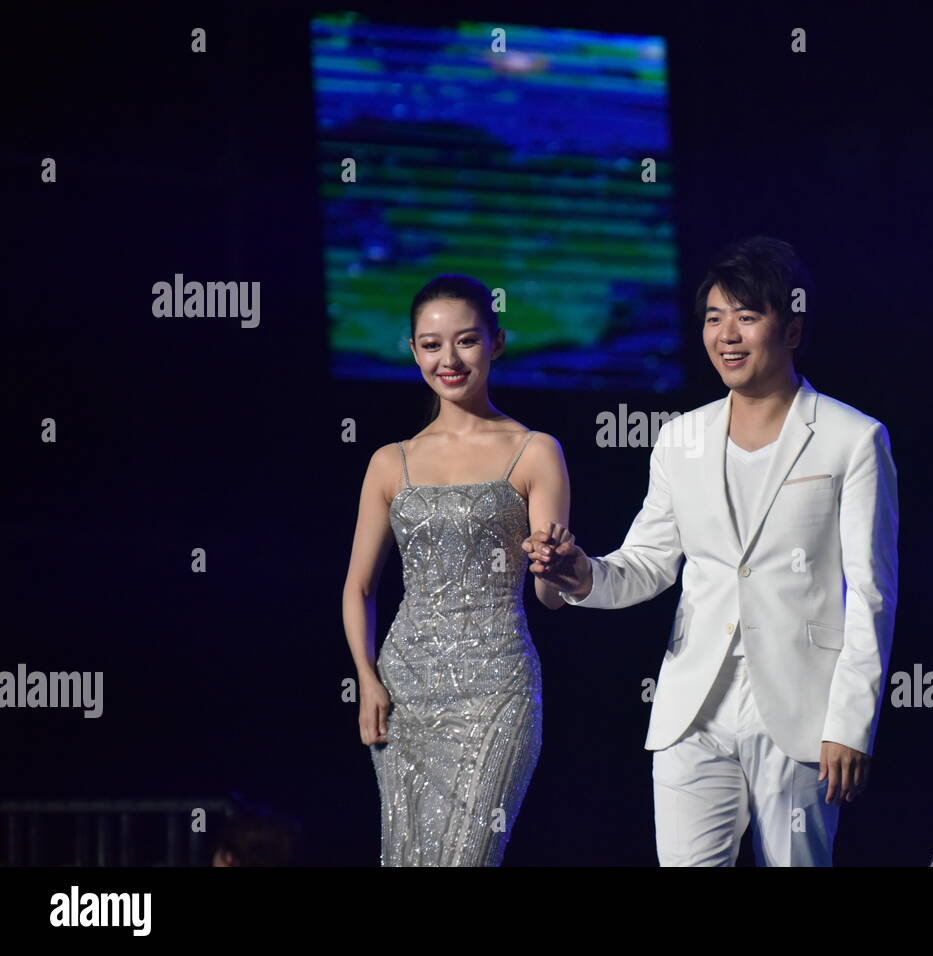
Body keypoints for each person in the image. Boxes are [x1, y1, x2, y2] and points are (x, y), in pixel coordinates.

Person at [524, 237, 899, 866]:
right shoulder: (680, 438)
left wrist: (850, 722)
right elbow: (646, 563)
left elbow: (870, 593)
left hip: (801, 713)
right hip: (691, 711)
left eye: (748, 317)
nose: (727, 335)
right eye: (714, 318)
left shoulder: (852, 439)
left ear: (793, 329)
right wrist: (580, 572)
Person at [341, 274, 571, 866]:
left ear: (496, 343)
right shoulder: (391, 461)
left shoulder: (535, 450)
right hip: (406, 688)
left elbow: (548, 594)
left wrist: (556, 566)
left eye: (466, 341)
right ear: (413, 350)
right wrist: (367, 680)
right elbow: (359, 586)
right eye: (431, 344)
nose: (449, 358)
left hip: (497, 687)